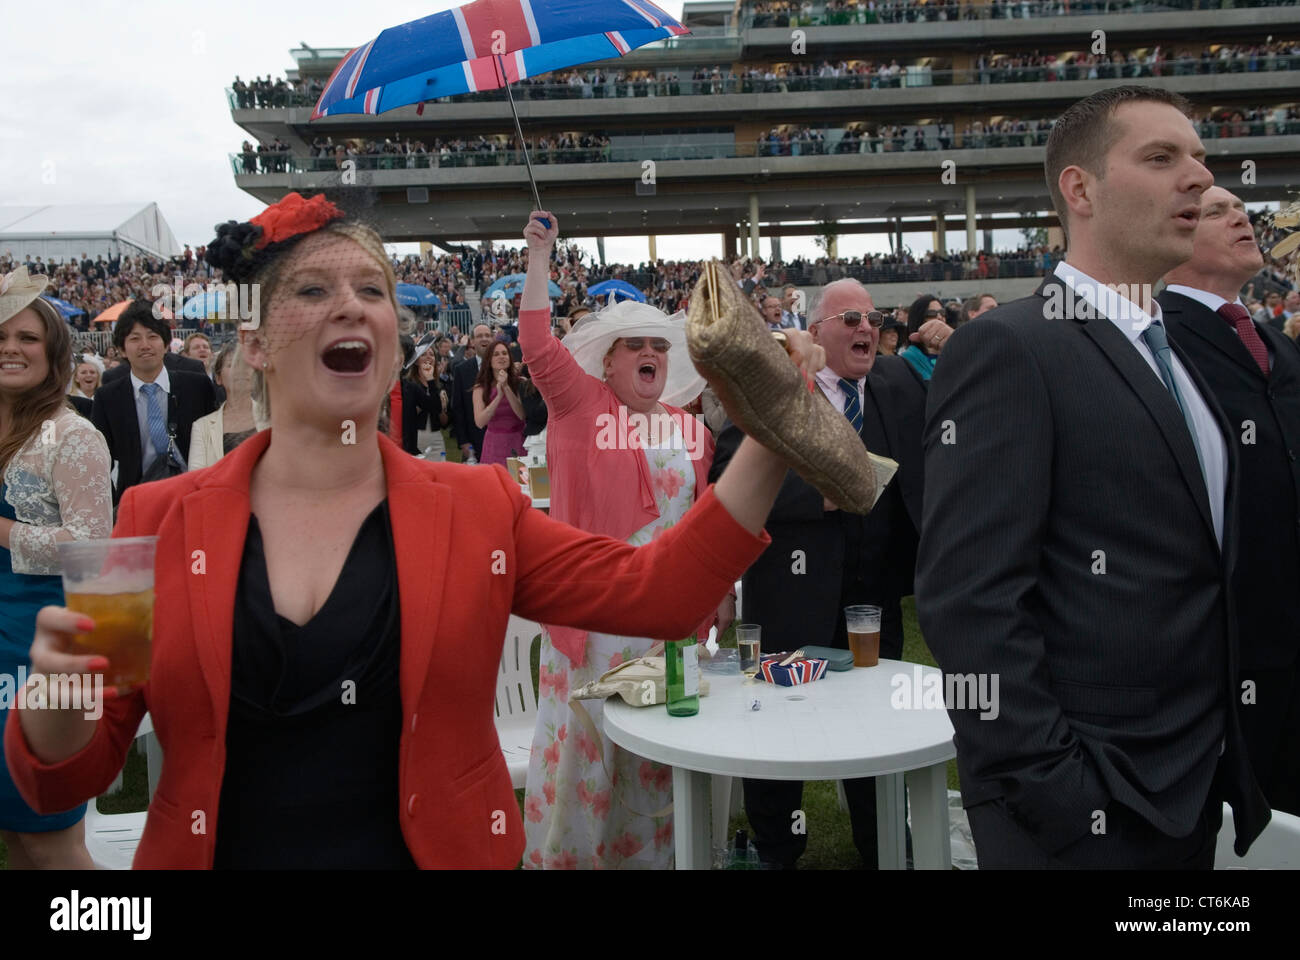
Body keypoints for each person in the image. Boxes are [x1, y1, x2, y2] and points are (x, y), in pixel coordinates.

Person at [5, 196, 815, 870]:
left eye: (372, 290)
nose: (351, 304)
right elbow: (68, 773)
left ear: (393, 336)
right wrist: (59, 699)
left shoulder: (478, 507)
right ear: (253, 341)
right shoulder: (159, 520)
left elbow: (661, 592)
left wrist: (775, 433)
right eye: (314, 292)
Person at [917, 86, 1269, 869]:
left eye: (1201, 158)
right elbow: (968, 601)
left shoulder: (1180, 350)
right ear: (1080, 189)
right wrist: (1055, 789)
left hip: (1194, 785)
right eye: (1161, 157)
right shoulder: (1010, 348)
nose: (1200, 180)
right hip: (1085, 810)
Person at [518, 211, 746, 869]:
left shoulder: (684, 426)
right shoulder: (579, 406)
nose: (651, 353)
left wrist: (723, 585)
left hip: (667, 618)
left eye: (660, 345)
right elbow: (535, 340)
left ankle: (659, 860)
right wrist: (541, 257)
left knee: (659, 747)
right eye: (635, 345)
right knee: (590, 754)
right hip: (596, 615)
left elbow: (707, 513)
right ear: (609, 363)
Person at [710, 278, 927, 869]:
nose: (865, 328)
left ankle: (883, 847)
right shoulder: (777, 387)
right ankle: (778, 850)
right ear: (815, 332)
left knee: (878, 731)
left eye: (872, 319)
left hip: (873, 606)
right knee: (779, 730)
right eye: (850, 318)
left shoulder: (895, 381)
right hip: (792, 603)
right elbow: (726, 480)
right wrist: (816, 500)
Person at [1159, 185, 1300, 817]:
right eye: (1216, 211)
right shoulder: (1157, 341)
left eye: (1241, 209)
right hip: (1221, 639)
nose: (1240, 217)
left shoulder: (1279, 344)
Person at [0, 267, 111, 868]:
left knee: (50, 840)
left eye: (27, 339)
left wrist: (2, 531)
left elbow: (93, 548)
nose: (11, 350)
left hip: (40, 648)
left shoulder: (73, 436)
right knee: (17, 839)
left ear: (54, 352)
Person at [90, 300, 217, 504]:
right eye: (135, 338)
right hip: (137, 498)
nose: (145, 345)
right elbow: (99, 461)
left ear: (166, 345)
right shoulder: (108, 397)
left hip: (195, 493)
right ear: (122, 349)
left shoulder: (197, 386)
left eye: (152, 336)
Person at [187, 342, 265, 471]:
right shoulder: (202, 427)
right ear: (218, 378)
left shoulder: (273, 417)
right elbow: (196, 475)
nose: (240, 370)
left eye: (246, 365)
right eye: (231, 365)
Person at [472, 340, 526, 466]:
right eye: (496, 354)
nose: (501, 357)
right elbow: (480, 422)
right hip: (494, 443)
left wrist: (506, 387)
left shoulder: (520, 382)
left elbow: (522, 415)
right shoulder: (480, 388)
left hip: (518, 441)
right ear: (489, 360)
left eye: (504, 353)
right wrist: (498, 397)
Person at [451, 322, 494, 459]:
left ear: (492, 339)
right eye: (479, 336)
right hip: (474, 440)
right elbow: (458, 408)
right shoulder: (461, 370)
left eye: (487, 335)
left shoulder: (504, 365)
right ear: (472, 341)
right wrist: (463, 441)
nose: (484, 339)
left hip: (503, 436)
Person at [403, 341, 447, 459]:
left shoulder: (439, 386)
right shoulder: (409, 385)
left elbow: (445, 422)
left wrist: (442, 408)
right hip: (416, 437)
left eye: (431, 354)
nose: (428, 357)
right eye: (423, 354)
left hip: (436, 437)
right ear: (416, 361)